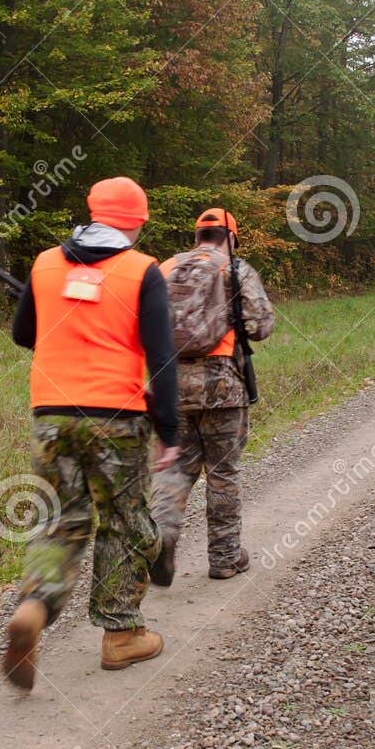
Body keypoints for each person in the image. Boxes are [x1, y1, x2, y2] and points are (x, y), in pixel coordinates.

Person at [1, 177, 181, 691]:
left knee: (59, 521)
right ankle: (121, 635)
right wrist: (168, 430)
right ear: (137, 222)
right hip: (116, 416)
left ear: (93, 212)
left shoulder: (44, 263)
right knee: (123, 521)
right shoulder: (142, 271)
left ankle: (35, 606)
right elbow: (162, 357)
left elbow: (23, 334)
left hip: (51, 414)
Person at [150, 208, 274, 583]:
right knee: (223, 474)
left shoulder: (164, 268)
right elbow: (261, 326)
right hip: (223, 386)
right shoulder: (235, 268)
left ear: (197, 237)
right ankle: (224, 558)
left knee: (174, 470)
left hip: (169, 385)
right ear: (230, 238)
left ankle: (160, 540)